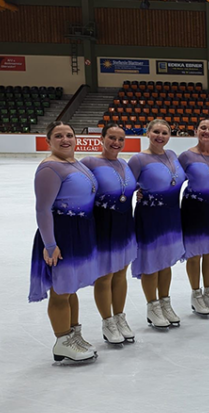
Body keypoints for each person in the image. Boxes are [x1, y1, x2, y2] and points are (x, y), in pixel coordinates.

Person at [30, 122, 99, 362]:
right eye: (58, 136)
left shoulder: (75, 162)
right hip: (62, 234)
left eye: (69, 135)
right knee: (60, 290)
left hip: (80, 231)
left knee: (70, 287)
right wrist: (50, 244)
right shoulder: (50, 167)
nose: (65, 139)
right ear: (49, 141)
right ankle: (62, 340)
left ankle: (73, 334)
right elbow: (42, 209)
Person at [80, 124, 137, 344]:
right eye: (112, 138)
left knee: (121, 273)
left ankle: (120, 317)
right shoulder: (89, 163)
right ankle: (107, 322)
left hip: (124, 223)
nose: (116, 142)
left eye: (120, 139)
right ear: (102, 138)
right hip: (102, 224)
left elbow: (129, 188)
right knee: (105, 276)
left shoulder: (125, 163)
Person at [128, 119, 186, 329]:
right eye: (156, 132)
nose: (160, 136)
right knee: (152, 263)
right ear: (148, 133)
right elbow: (125, 186)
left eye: (164, 132)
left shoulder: (172, 156)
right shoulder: (138, 159)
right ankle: (152, 307)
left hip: (171, 215)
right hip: (150, 216)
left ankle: (165, 302)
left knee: (166, 261)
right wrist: (137, 191)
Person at [178, 119, 209, 317]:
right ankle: (196, 293)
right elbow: (172, 179)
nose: (206, 131)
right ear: (196, 130)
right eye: (203, 128)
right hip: (194, 209)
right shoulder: (186, 156)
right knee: (194, 253)